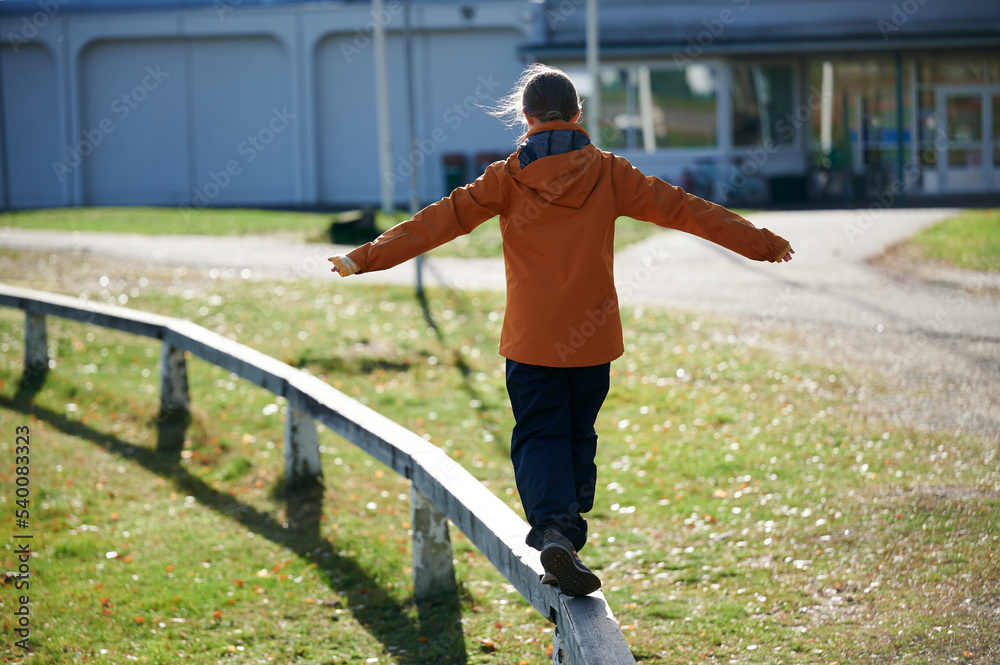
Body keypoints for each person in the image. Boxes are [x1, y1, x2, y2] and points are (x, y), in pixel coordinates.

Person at [328, 64, 793, 597]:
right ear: (578, 114)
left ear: (525, 118)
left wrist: (362, 258)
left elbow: (438, 221)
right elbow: (686, 210)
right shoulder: (612, 173)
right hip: (593, 339)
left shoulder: (506, 177)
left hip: (531, 340)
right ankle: (564, 536)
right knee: (577, 435)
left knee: (540, 434)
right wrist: (760, 241)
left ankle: (556, 532)